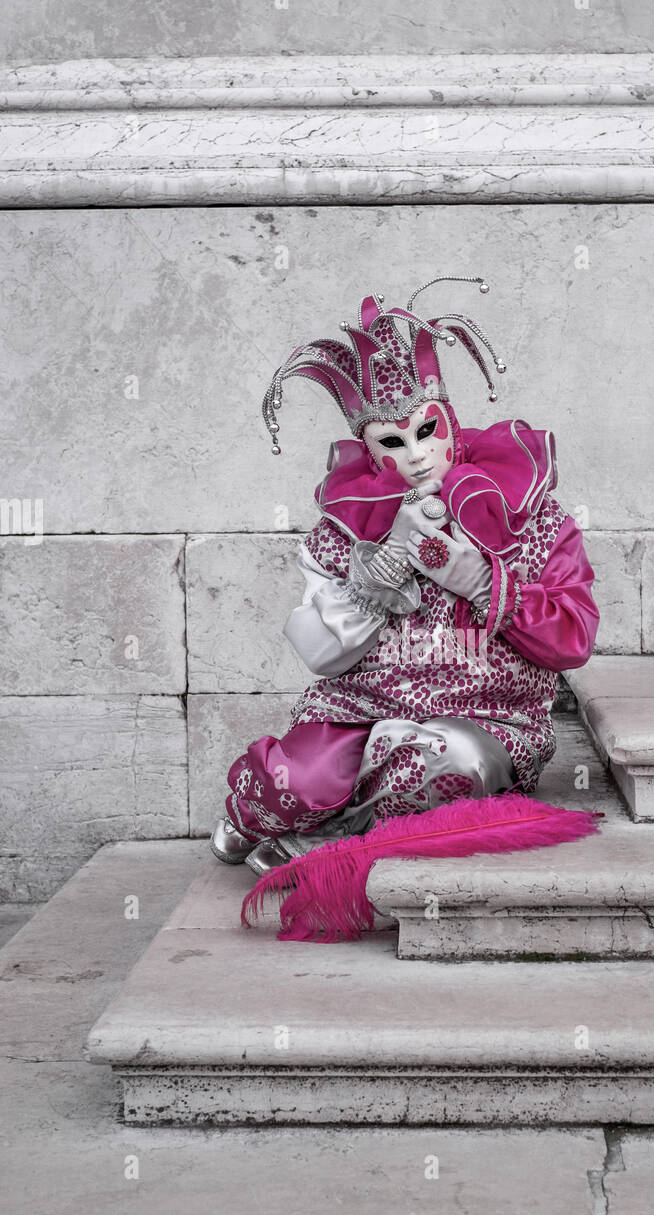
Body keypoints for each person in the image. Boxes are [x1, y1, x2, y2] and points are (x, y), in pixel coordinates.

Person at [211, 274, 600, 876]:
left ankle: (322, 846)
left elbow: (573, 638)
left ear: (448, 418)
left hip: (488, 717)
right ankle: (268, 816)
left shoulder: (532, 515)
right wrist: (377, 574)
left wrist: (485, 584)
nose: (417, 454)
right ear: (369, 452)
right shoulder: (346, 530)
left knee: (446, 765)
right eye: (393, 441)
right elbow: (320, 656)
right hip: (360, 710)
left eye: (427, 430)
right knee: (297, 780)